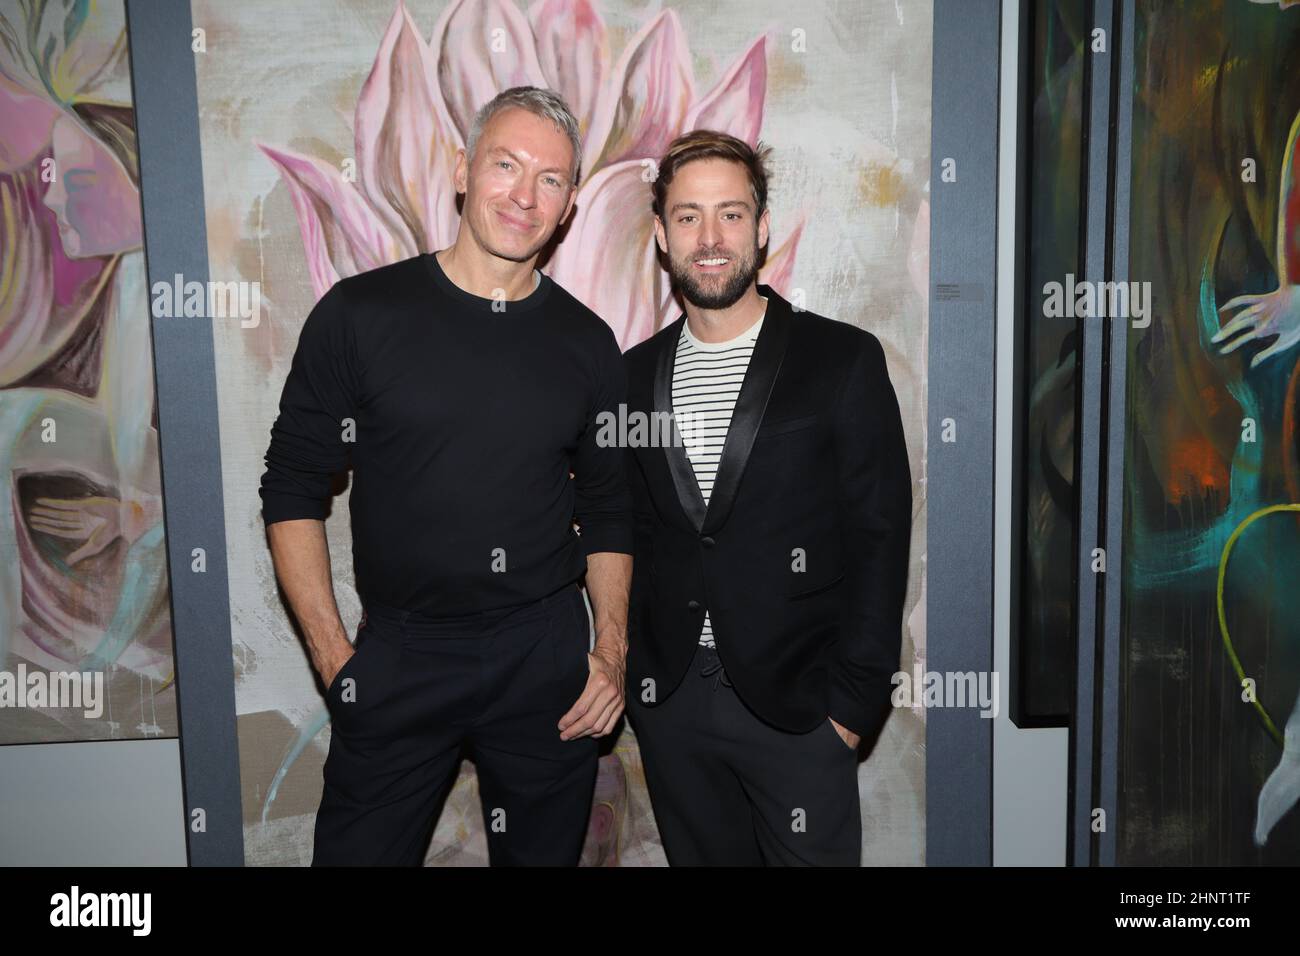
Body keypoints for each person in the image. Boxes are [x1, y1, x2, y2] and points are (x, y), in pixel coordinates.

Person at [258, 87, 633, 866]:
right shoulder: (359, 315)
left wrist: (611, 654)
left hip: (543, 654)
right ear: (462, 170)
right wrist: (333, 657)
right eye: (506, 164)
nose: (525, 195)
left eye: (552, 179)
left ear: (568, 206)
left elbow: (609, 508)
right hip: (401, 652)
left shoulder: (589, 344)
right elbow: (293, 484)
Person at [623, 130, 913, 865]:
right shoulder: (630, 377)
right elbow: (625, 531)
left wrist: (850, 708)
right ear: (662, 234)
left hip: (801, 708)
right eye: (688, 216)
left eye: (731, 213)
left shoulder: (841, 359)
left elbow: (880, 535)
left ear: (762, 226)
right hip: (675, 705)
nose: (711, 236)